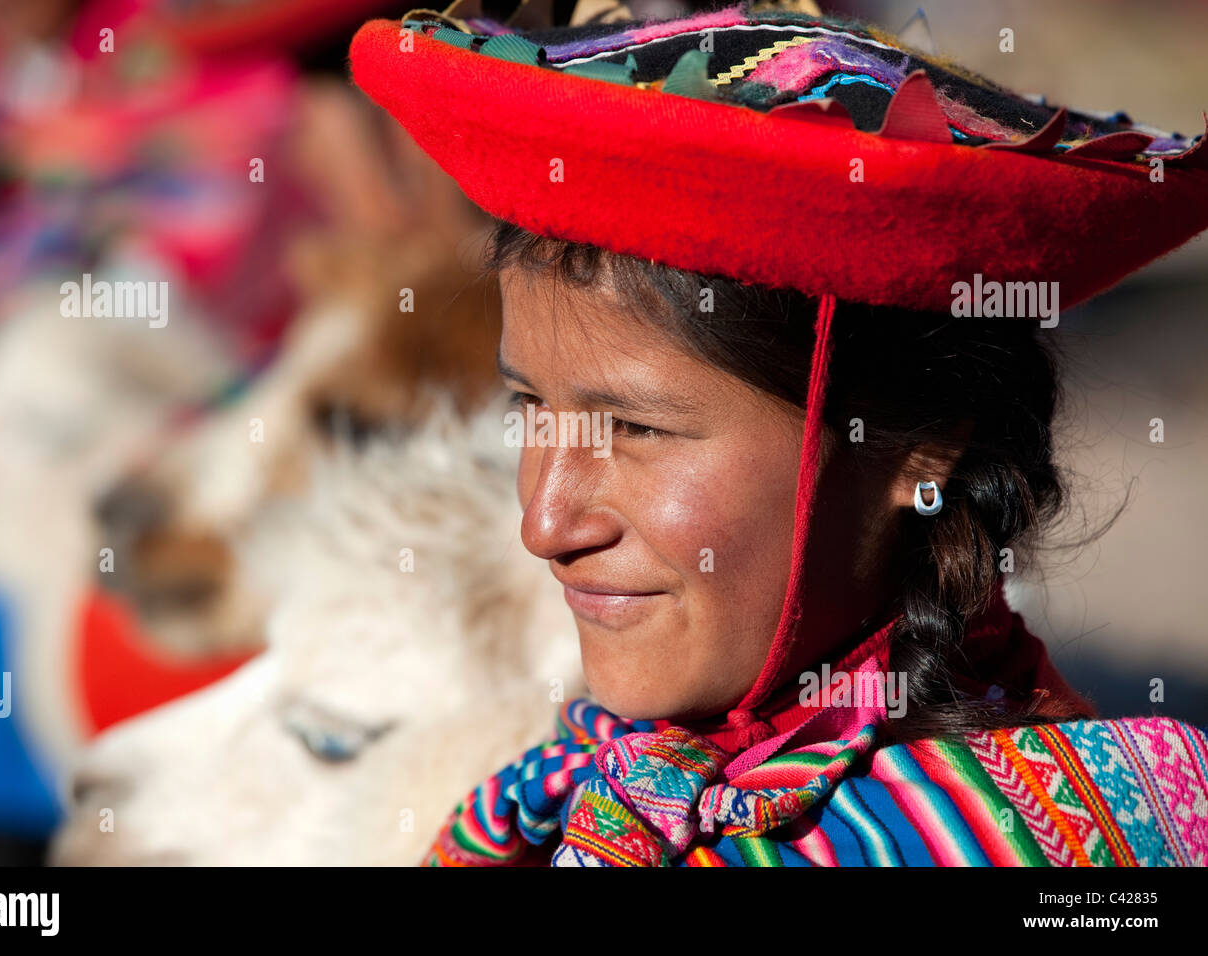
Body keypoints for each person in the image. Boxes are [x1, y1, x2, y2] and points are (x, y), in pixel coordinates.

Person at [349, 0, 1208, 865]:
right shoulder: (566, 797)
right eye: (529, 408)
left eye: (637, 428)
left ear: (923, 446)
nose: (544, 525)